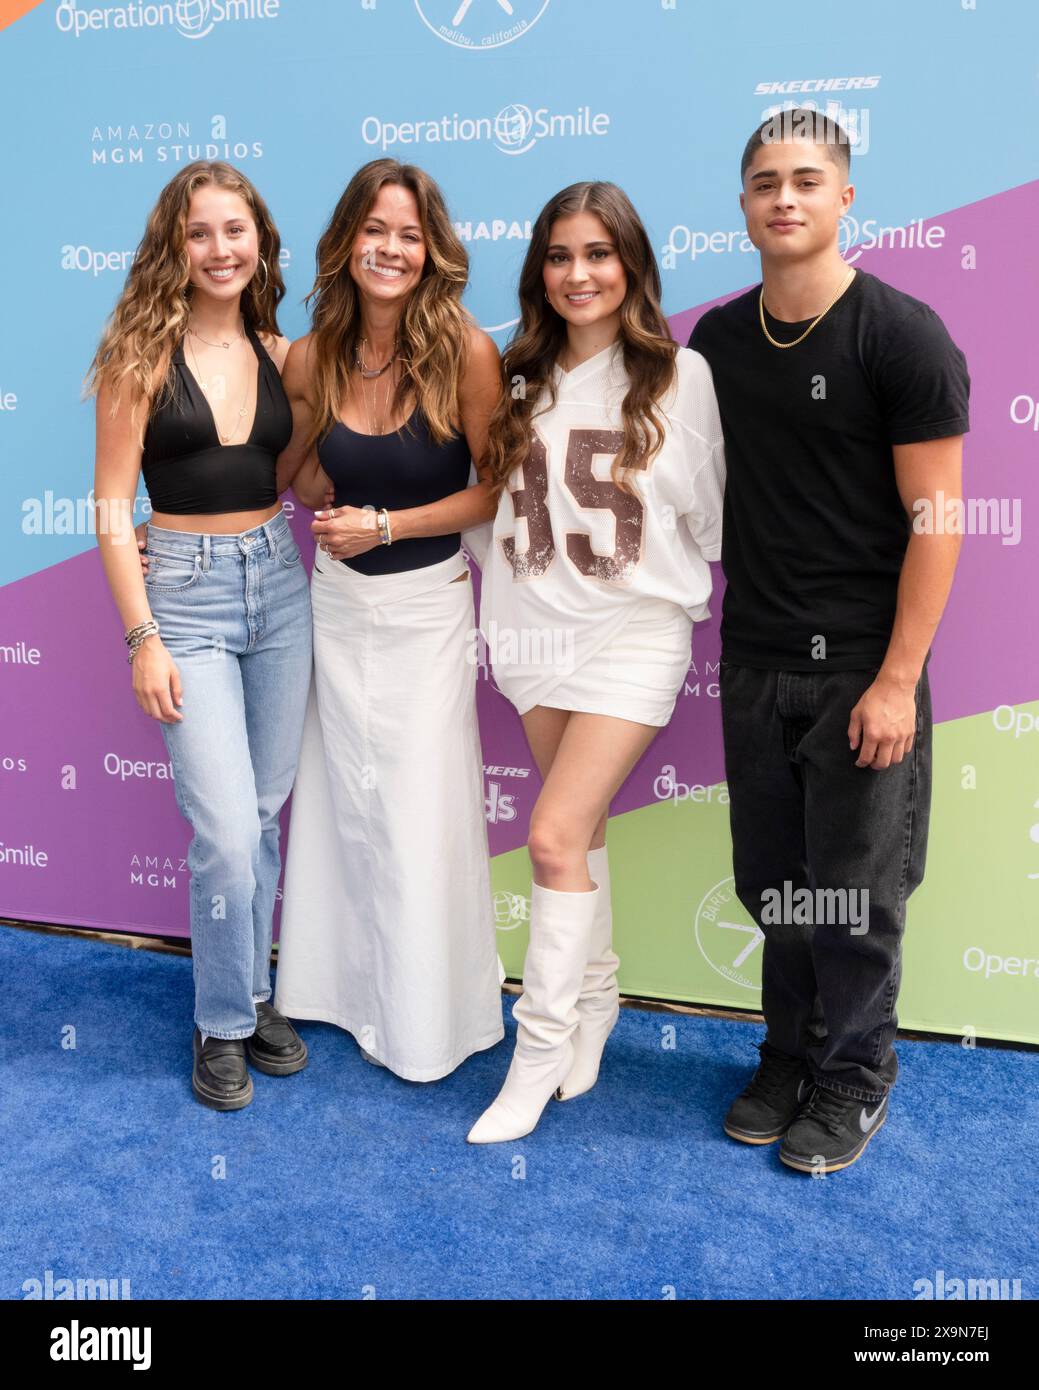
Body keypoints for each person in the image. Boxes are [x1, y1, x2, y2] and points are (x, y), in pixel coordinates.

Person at [688, 110, 969, 1173]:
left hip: (862, 665)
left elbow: (936, 521)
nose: (784, 197)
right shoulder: (716, 340)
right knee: (775, 882)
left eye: (807, 179)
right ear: (745, 203)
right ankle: (789, 1051)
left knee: (853, 893)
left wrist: (897, 679)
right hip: (755, 659)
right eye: (764, 181)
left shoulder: (900, 335)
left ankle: (855, 1070)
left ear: (845, 196)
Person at [467, 181, 726, 1144]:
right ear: (540, 269)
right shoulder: (516, 372)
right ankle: (595, 1006)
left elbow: (707, 517)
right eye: (560, 256)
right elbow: (492, 506)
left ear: (630, 266)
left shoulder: (678, 375)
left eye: (598, 254)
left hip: (631, 635)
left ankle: (533, 1053)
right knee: (580, 840)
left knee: (549, 836)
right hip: (531, 633)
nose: (579, 274)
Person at [271, 159, 505, 1081]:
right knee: (337, 806)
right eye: (375, 230)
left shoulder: (467, 352)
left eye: (409, 234)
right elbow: (285, 463)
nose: (391, 249)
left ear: (432, 250)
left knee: (414, 811)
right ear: (346, 242)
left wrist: (388, 524)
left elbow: (492, 492)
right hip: (335, 606)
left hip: (425, 611)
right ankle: (335, 996)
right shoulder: (312, 354)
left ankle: (424, 1021)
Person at [91, 161, 312, 1112]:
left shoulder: (283, 350)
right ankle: (221, 1020)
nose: (219, 250)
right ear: (171, 248)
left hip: (280, 584)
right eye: (198, 233)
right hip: (181, 594)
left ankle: (254, 995)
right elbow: (108, 509)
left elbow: (301, 471)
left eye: (235, 230)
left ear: (259, 239)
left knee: (260, 818)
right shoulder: (137, 354)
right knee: (223, 830)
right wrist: (141, 634)